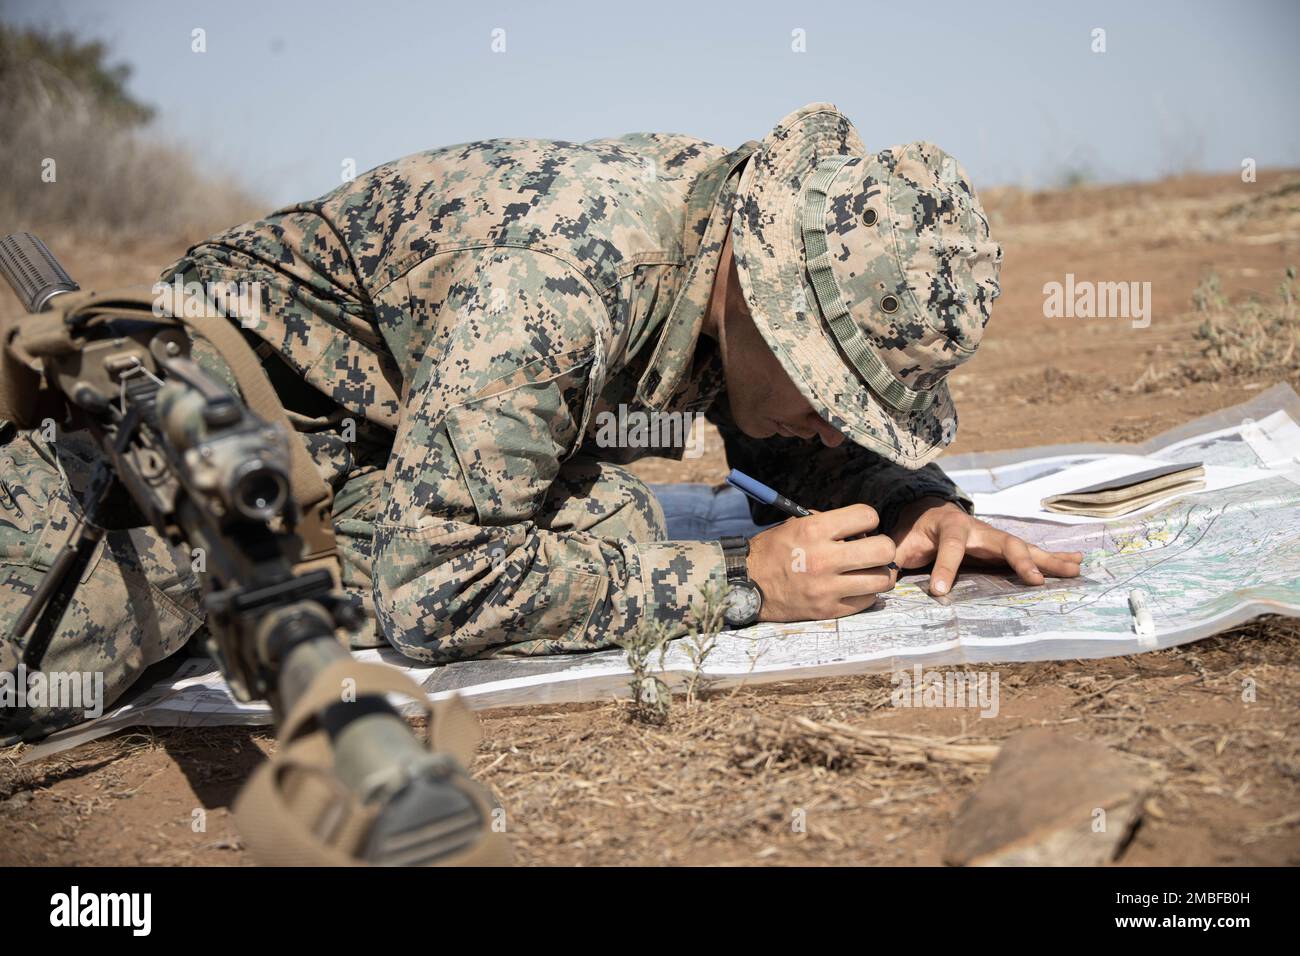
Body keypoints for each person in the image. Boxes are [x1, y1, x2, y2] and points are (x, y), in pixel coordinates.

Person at [0, 102, 1080, 740]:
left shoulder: (723, 252)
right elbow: (434, 593)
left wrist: (915, 501)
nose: (835, 429)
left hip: (381, 434)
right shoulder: (567, 281)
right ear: (756, 298)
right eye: (832, 390)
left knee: (611, 522)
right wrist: (746, 579)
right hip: (214, 434)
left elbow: (771, 426)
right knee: (41, 663)